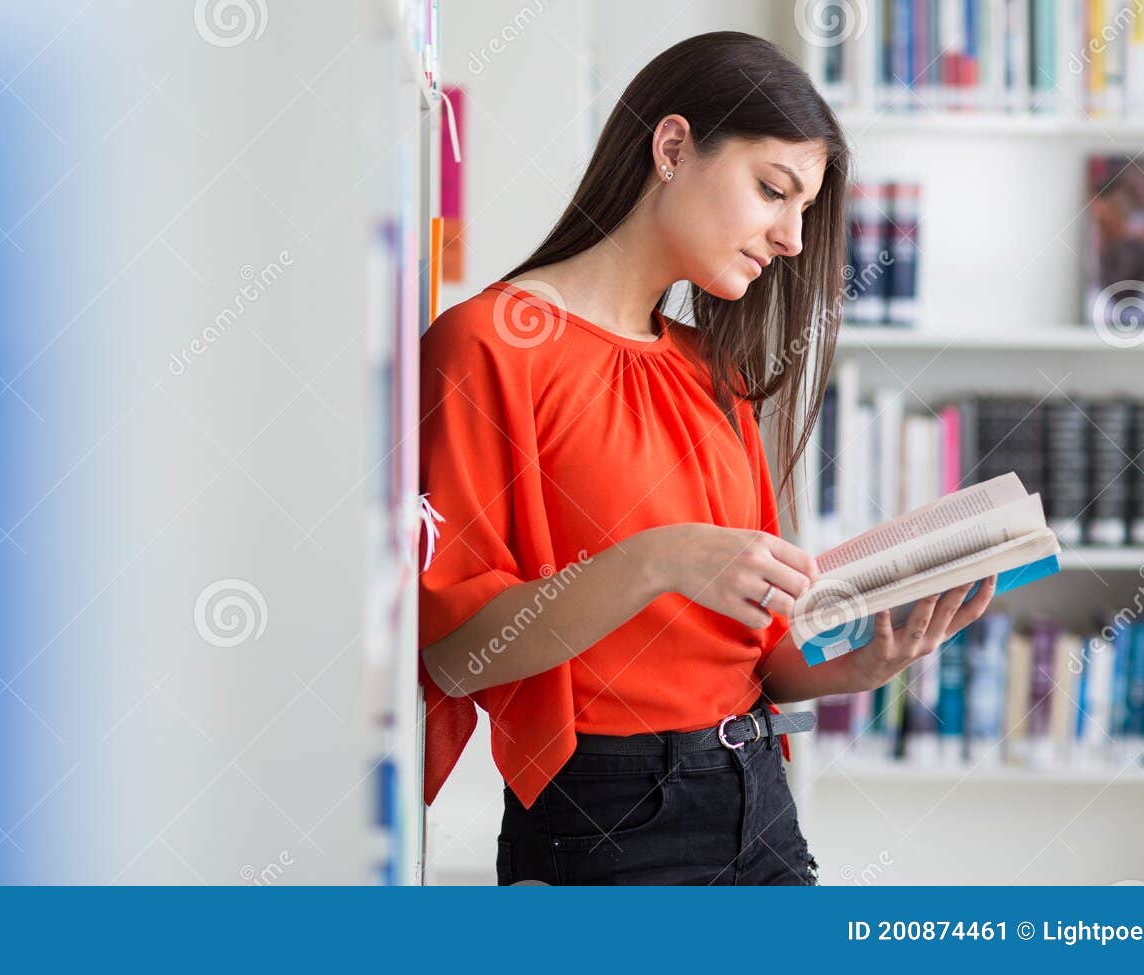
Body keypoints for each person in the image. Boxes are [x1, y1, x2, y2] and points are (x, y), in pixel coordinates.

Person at [416, 31, 997, 885]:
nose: (793, 238)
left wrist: (864, 664)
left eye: (805, 210)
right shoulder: (490, 346)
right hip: (606, 822)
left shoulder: (712, 373)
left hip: (757, 795)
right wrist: (660, 560)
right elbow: (455, 655)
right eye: (774, 191)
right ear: (674, 147)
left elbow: (759, 654)